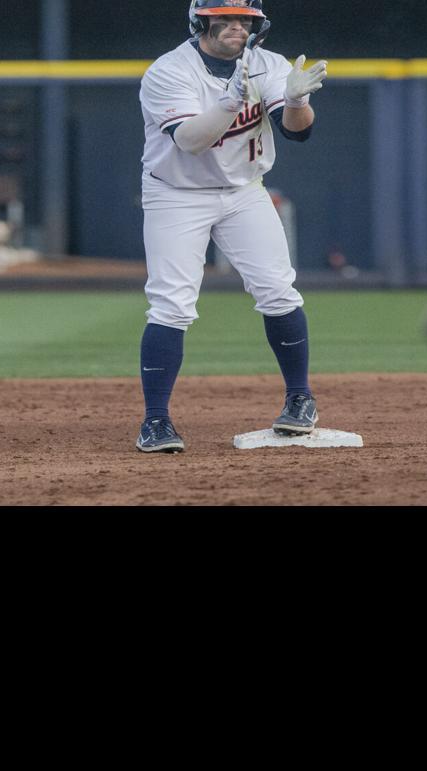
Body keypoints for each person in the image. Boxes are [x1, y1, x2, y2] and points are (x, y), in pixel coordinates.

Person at [134, 0, 328, 453]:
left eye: (244, 19)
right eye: (224, 18)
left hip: (243, 190)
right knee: (171, 304)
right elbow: (190, 141)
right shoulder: (169, 71)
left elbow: (297, 131)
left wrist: (297, 101)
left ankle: (300, 398)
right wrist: (228, 103)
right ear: (201, 20)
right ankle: (156, 422)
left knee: (278, 290)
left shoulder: (268, 64)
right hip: (176, 192)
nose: (236, 26)